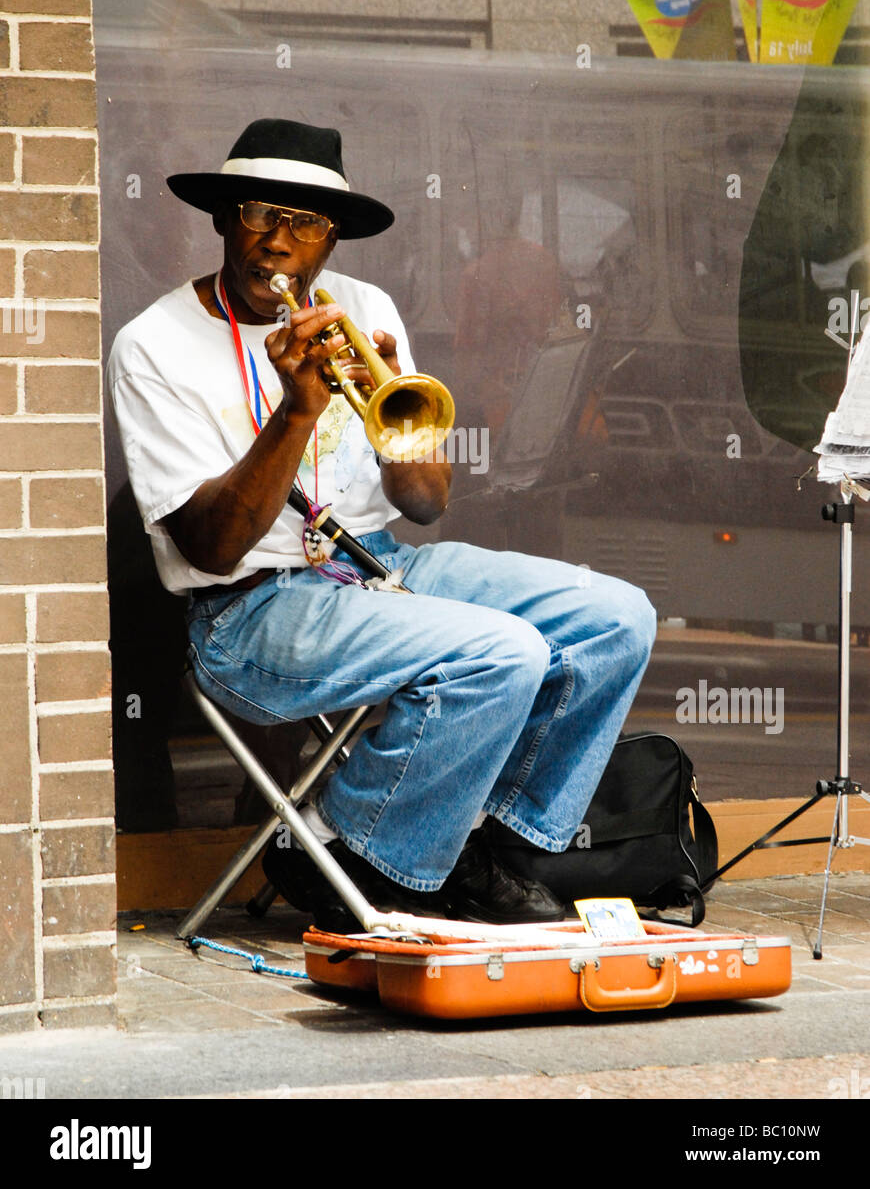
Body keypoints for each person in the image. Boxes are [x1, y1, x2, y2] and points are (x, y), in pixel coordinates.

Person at [107, 118, 657, 930]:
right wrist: (296, 413)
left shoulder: (360, 307)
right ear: (224, 220)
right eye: (261, 215)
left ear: (332, 241)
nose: (279, 245)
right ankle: (344, 844)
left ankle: (478, 845)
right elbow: (212, 550)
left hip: (378, 564)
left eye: (307, 226)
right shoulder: (154, 345)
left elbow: (427, 501)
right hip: (250, 612)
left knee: (616, 618)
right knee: (503, 651)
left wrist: (392, 404)